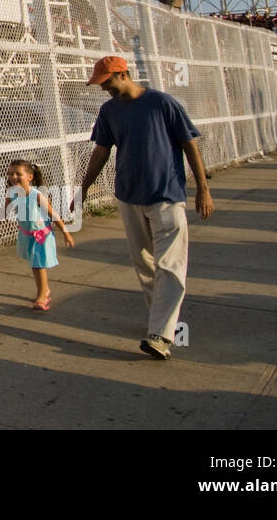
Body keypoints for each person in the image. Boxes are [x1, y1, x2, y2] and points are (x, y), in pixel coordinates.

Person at [74, 55, 213, 360]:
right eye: (100, 84)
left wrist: (203, 188)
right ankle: (161, 323)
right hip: (128, 196)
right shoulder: (108, 110)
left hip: (166, 195)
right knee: (144, 263)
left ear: (123, 74)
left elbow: (190, 144)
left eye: (106, 82)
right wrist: (82, 189)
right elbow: (100, 151)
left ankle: (160, 335)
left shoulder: (163, 103)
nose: (103, 89)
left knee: (170, 265)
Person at [0, 159, 74, 311]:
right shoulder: (12, 193)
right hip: (26, 235)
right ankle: (45, 289)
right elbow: (4, 210)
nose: (13, 177)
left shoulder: (37, 195)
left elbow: (54, 215)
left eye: (18, 174)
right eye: (10, 173)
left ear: (30, 177)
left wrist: (66, 232)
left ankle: (42, 294)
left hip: (41, 236)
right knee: (34, 264)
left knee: (38, 265)